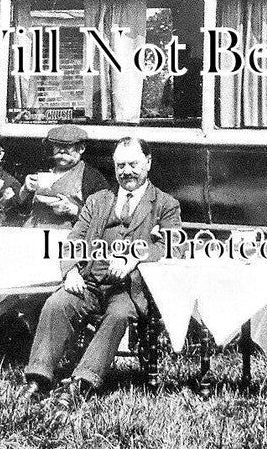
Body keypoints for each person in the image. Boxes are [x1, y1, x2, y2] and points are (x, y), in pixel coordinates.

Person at [22, 137, 181, 405]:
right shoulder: (98, 201)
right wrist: (71, 271)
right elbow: (74, 239)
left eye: (133, 164)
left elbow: (173, 246)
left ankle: (81, 383)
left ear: (148, 163)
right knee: (57, 303)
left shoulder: (165, 204)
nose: (126, 171)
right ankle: (38, 379)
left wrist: (135, 257)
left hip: (128, 290)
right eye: (120, 166)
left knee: (118, 315)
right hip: (90, 282)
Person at [11, 125, 110, 229]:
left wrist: (73, 209)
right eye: (58, 145)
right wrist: (25, 190)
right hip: (33, 232)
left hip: (67, 235)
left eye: (68, 146)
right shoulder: (42, 170)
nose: (62, 151)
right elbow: (17, 212)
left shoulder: (92, 178)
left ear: (81, 148)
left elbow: (103, 218)